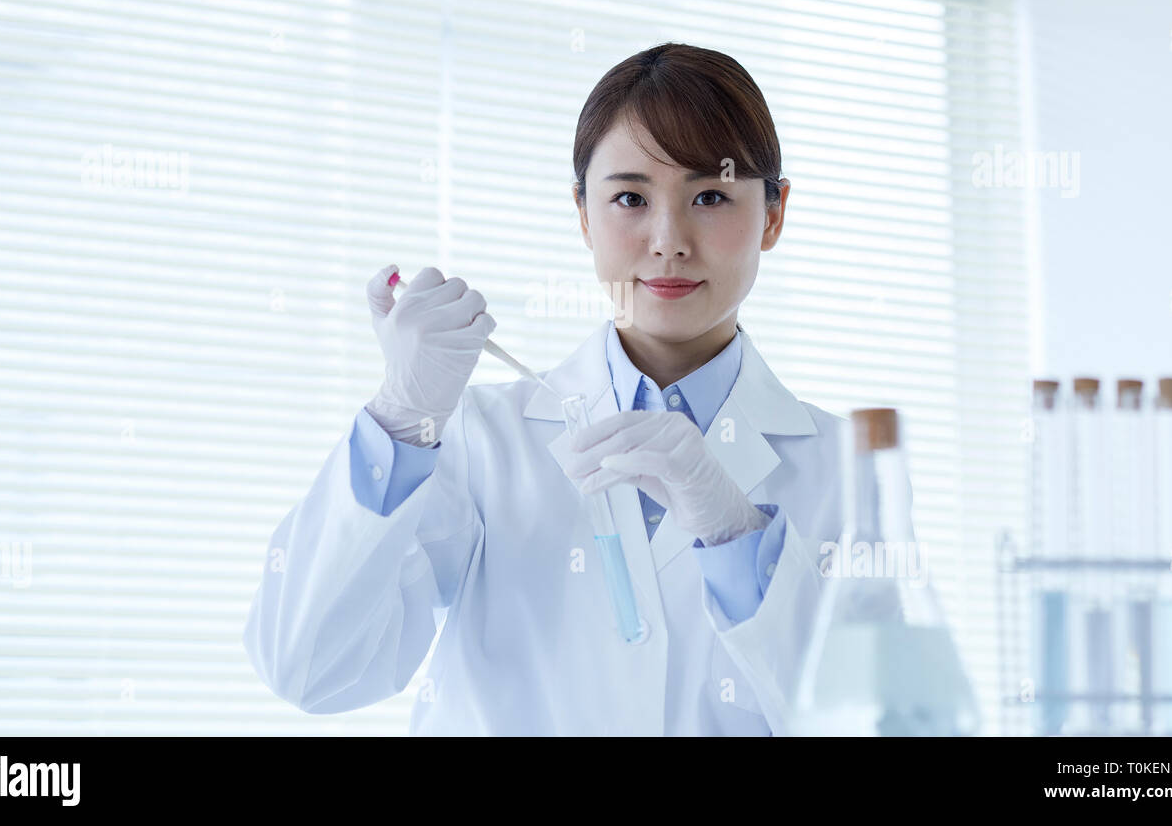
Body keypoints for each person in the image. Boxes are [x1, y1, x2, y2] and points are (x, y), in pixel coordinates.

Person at [243, 42, 848, 735]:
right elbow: (310, 668)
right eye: (629, 197)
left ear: (773, 214)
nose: (667, 239)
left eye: (710, 195)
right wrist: (399, 419)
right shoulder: (479, 437)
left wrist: (737, 536)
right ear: (583, 214)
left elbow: (879, 722)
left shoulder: (844, 469)